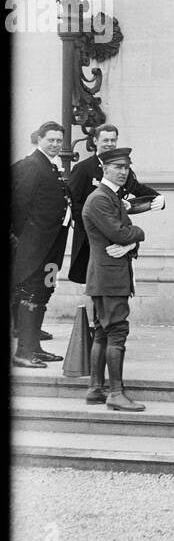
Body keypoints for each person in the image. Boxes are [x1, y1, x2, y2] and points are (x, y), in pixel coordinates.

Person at [81, 146, 148, 410]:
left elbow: (122, 236)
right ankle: (116, 393)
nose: (123, 172)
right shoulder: (101, 198)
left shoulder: (109, 197)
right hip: (109, 276)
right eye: (118, 167)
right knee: (116, 332)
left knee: (102, 333)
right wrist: (138, 233)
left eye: (126, 167)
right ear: (104, 168)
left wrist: (130, 243)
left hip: (106, 275)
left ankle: (96, 389)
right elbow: (121, 233)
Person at [66, 123, 164, 284]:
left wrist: (158, 197)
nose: (110, 144)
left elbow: (136, 188)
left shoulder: (123, 168)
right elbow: (73, 203)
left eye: (113, 140)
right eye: (105, 140)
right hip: (91, 237)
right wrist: (95, 223)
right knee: (95, 280)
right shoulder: (83, 168)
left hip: (117, 233)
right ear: (95, 141)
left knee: (114, 281)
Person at [10, 121, 72, 367]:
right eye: (51, 140)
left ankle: (35, 346)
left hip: (52, 246)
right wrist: (24, 238)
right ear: (39, 139)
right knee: (30, 292)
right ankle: (23, 352)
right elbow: (19, 206)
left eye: (59, 141)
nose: (56, 144)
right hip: (35, 247)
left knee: (44, 291)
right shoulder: (32, 165)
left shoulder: (51, 165)